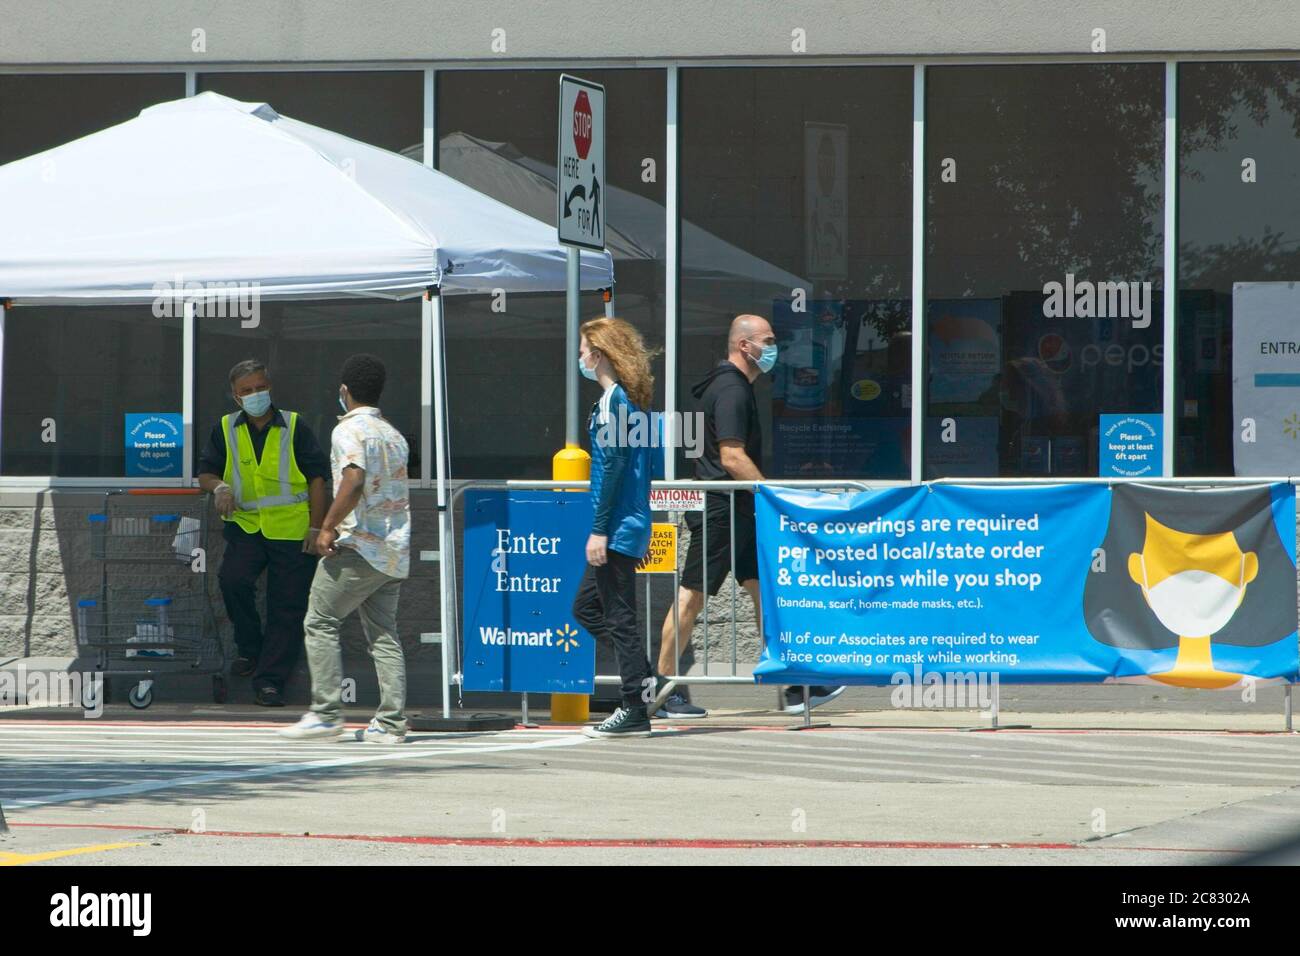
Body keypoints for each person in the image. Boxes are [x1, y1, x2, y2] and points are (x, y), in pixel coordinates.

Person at [657, 314, 846, 717]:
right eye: (769, 340)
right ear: (745, 346)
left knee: (765, 592)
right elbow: (731, 455)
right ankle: (662, 689)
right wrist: (771, 493)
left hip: (737, 508)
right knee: (692, 595)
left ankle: (797, 683)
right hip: (722, 511)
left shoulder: (732, 386)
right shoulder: (731, 390)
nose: (774, 348)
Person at [280, 354, 412, 743]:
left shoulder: (348, 431)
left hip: (359, 546)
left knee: (319, 621)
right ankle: (391, 724)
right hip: (393, 550)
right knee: (384, 635)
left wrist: (327, 527)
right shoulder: (393, 435)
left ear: (344, 391)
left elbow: (353, 480)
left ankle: (325, 713)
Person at [197, 359, 329, 707]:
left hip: (292, 528)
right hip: (246, 525)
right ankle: (251, 649)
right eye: (247, 391)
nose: (255, 395)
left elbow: (318, 479)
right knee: (233, 581)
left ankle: (270, 682)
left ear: (269, 387)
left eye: (260, 387)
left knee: (286, 606)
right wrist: (220, 488)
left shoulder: (295, 425)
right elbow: (205, 473)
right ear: (235, 396)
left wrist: (318, 527)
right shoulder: (225, 428)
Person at [573, 318, 658, 739]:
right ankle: (642, 681)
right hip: (631, 522)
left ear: (599, 354)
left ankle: (634, 707)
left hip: (618, 526)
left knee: (619, 619)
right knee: (587, 607)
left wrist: (600, 530)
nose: (580, 357)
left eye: (584, 349)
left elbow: (612, 469)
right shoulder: (631, 402)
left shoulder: (614, 403)